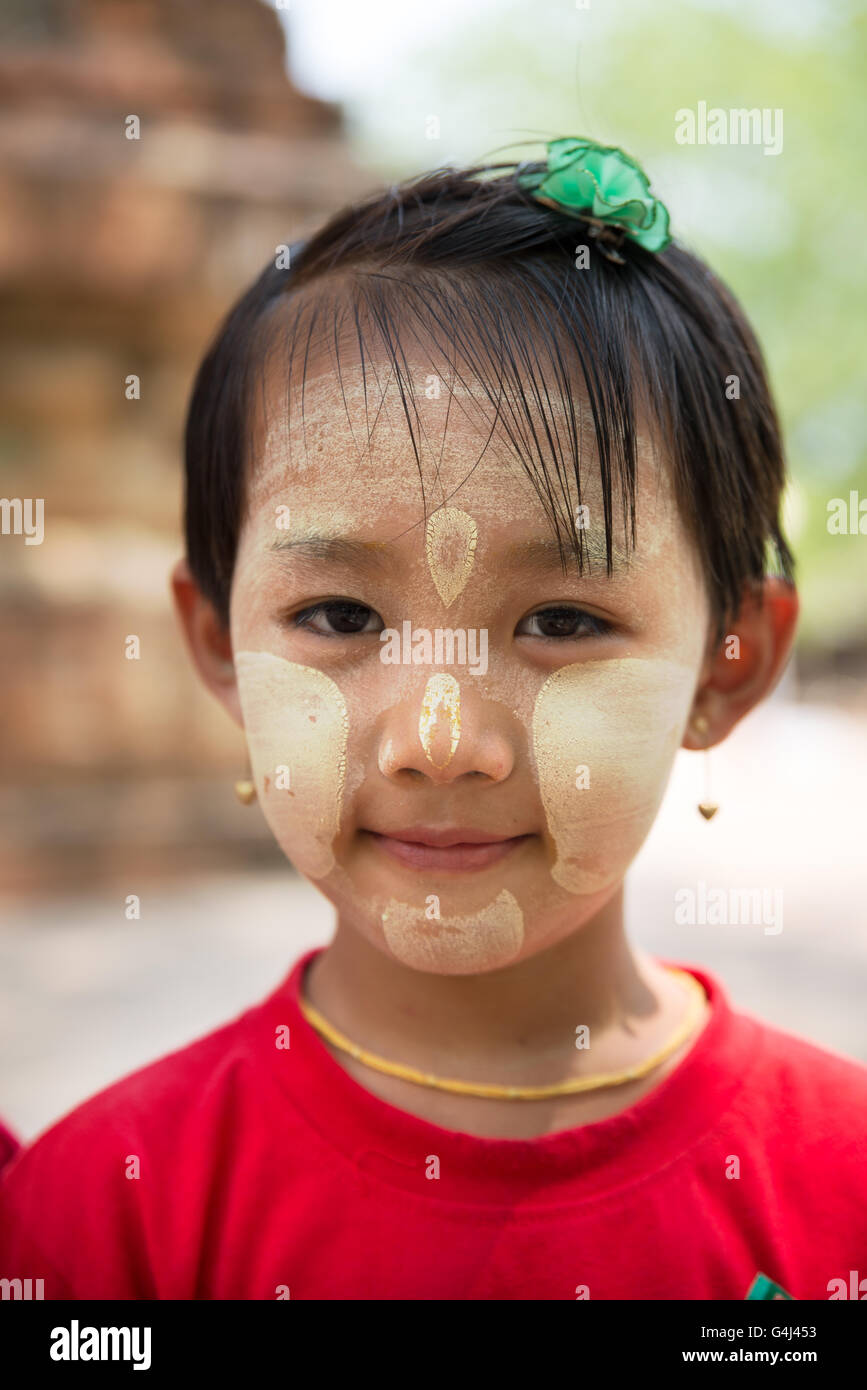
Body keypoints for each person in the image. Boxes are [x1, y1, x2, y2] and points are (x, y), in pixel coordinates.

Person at [1, 138, 864, 1301]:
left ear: (729, 660)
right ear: (219, 643)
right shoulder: (105, 1218)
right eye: (340, 614)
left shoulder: (840, 1190)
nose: (441, 739)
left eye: (561, 621)